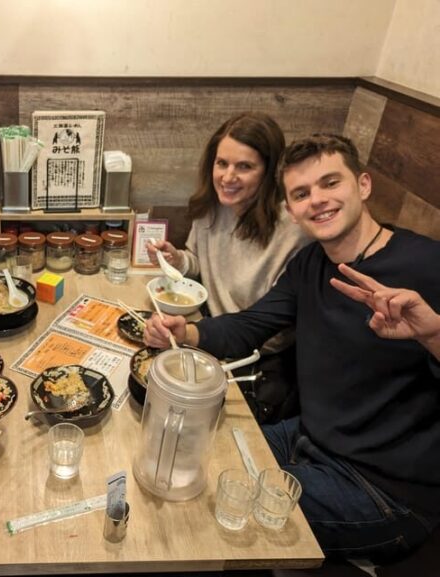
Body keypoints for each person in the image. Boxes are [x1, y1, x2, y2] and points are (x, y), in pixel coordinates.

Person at [145, 134, 440, 562]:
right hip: (310, 435)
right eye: (301, 193)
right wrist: (186, 332)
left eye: (330, 183)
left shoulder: (425, 264)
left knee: (210, 507)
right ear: (292, 208)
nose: (317, 200)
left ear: (363, 185)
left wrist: (432, 334)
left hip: (383, 487)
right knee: (196, 452)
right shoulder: (310, 264)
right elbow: (252, 325)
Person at [147, 112, 311, 422]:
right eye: (222, 164)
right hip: (206, 336)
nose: (227, 177)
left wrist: (204, 338)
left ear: (269, 172)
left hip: (254, 361)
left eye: (244, 167)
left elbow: (273, 329)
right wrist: (178, 261)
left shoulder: (293, 231)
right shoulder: (211, 207)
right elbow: (198, 265)